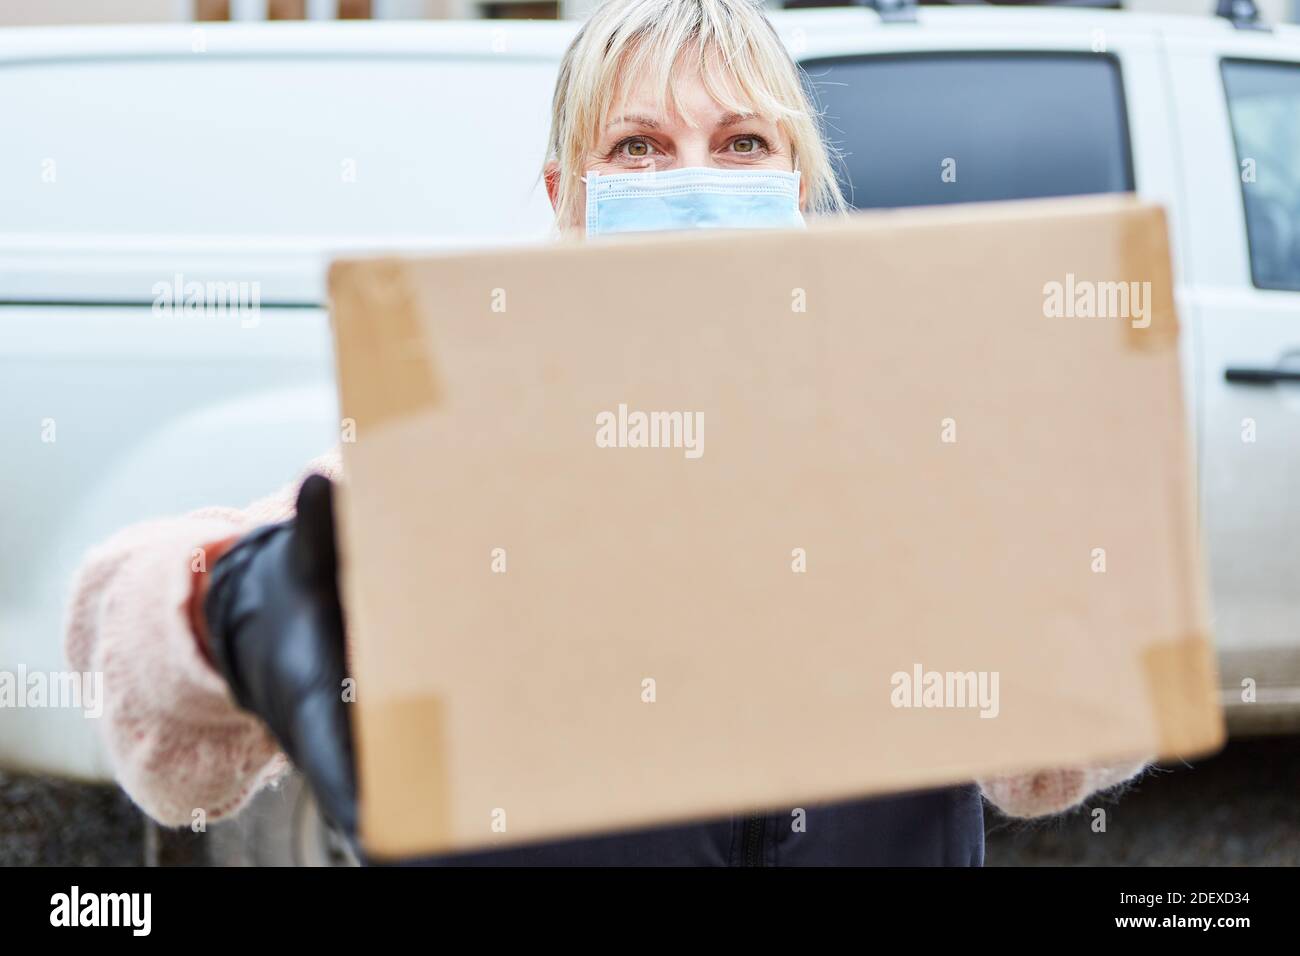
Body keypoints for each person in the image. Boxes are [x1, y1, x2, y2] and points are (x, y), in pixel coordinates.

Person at [65, 0, 1147, 866]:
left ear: (798, 189)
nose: (691, 180)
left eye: (740, 142)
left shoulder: (910, 445)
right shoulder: (463, 447)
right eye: (637, 147)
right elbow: (157, 712)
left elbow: (1054, 759)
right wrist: (230, 601)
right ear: (564, 199)